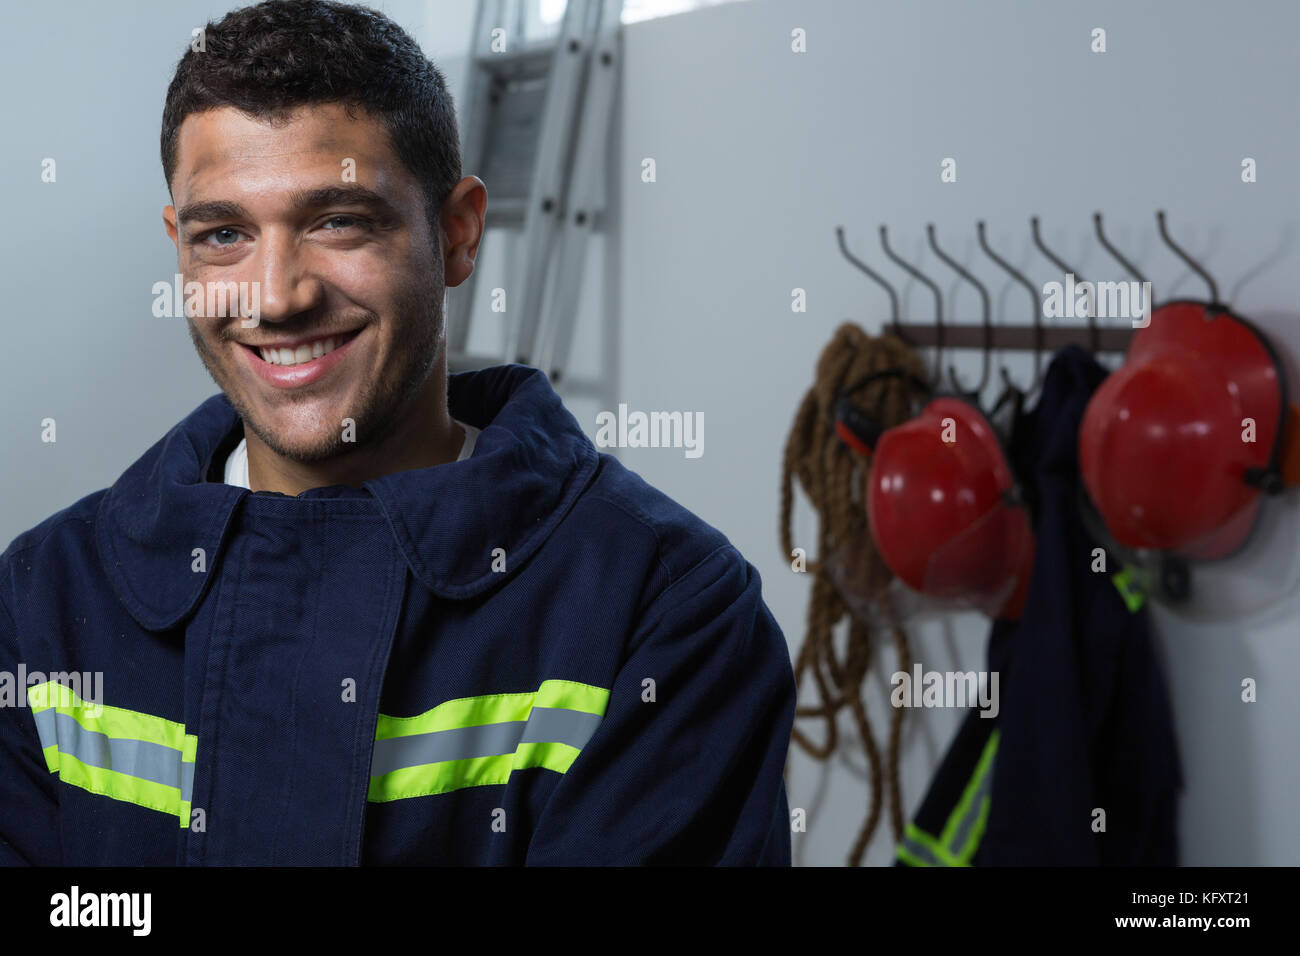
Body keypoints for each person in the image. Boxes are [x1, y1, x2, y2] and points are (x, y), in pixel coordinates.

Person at [0, 0, 795, 865]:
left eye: (337, 221)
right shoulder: (41, 602)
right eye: (224, 234)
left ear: (457, 233)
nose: (276, 297)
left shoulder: (663, 609)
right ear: (178, 244)